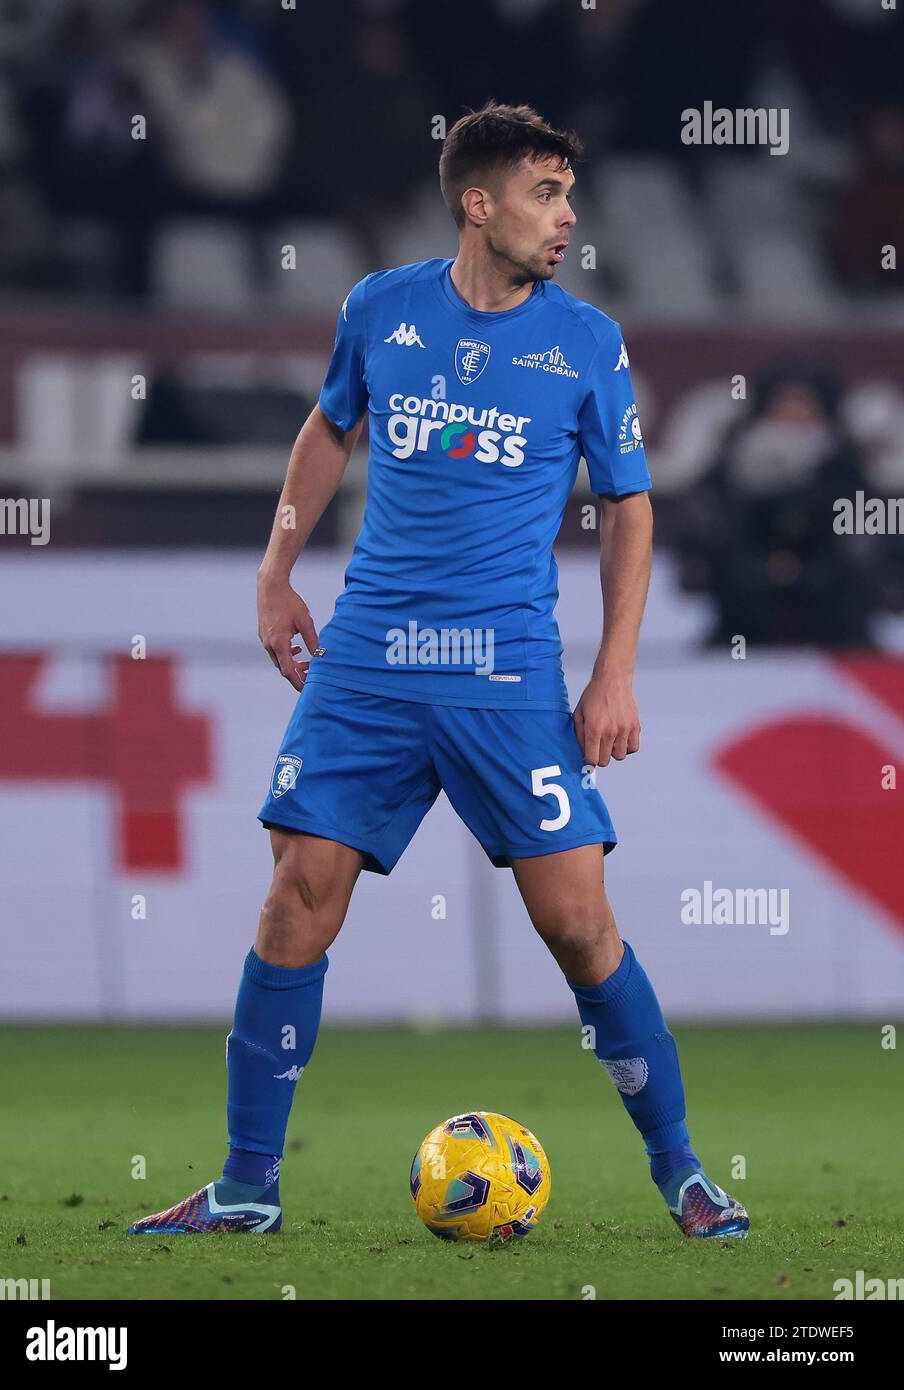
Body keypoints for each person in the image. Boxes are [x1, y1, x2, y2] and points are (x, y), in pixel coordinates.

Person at [128, 103, 749, 1241]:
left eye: (569, 194)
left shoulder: (586, 341)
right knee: (293, 903)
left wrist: (613, 672)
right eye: (545, 193)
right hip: (366, 664)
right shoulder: (380, 309)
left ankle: (685, 1174)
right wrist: (275, 571)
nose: (566, 218)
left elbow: (628, 507)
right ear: (478, 202)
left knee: (577, 925)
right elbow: (327, 431)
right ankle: (247, 1186)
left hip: (505, 671)